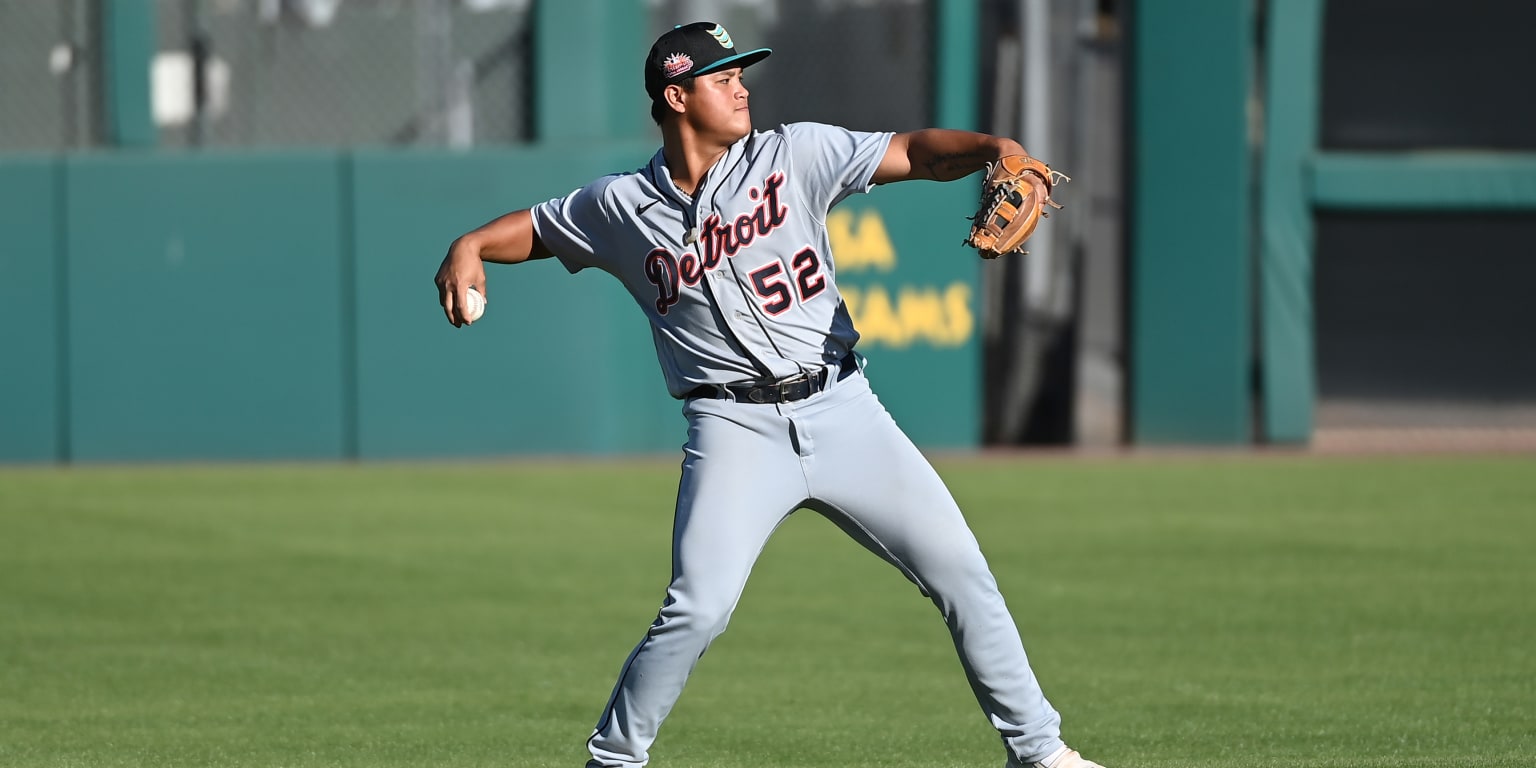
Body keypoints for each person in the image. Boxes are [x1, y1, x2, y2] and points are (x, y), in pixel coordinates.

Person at [433, 21, 1107, 768]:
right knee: (698, 607)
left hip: (843, 409)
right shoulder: (621, 207)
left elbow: (914, 152)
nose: (741, 85)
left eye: (741, 73)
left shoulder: (796, 153)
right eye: (723, 77)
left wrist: (996, 151)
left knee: (960, 569)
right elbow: (533, 229)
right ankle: (613, 761)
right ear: (676, 95)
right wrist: (468, 246)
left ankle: (1040, 752)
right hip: (732, 428)